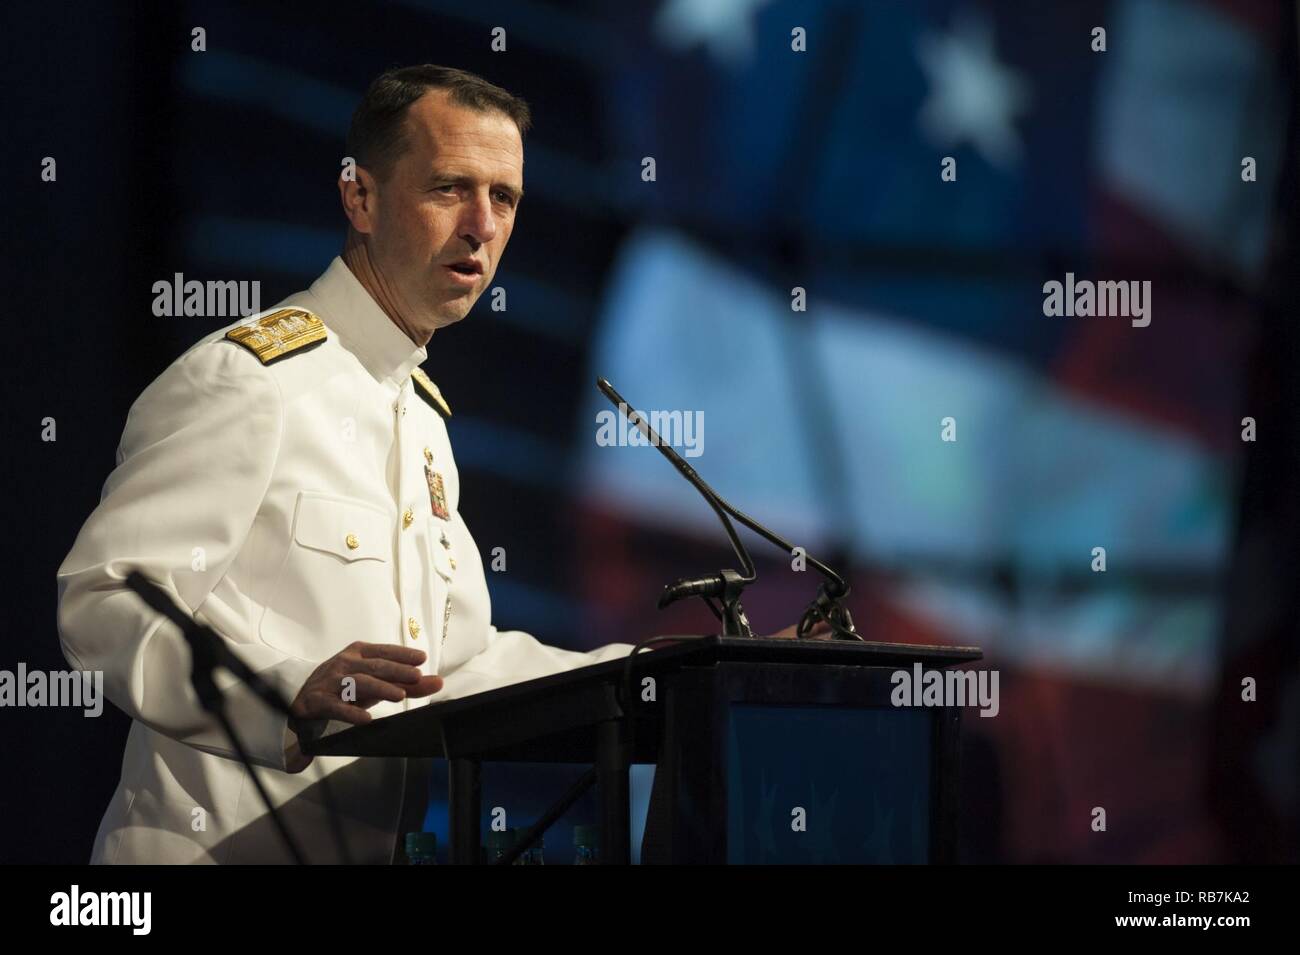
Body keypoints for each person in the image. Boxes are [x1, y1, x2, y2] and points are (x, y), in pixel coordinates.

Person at [55, 65, 637, 864]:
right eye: (449, 189)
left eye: (504, 198)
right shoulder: (251, 380)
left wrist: (661, 670)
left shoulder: (421, 418)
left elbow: (459, 666)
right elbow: (104, 596)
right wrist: (286, 689)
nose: (481, 224)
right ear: (359, 197)